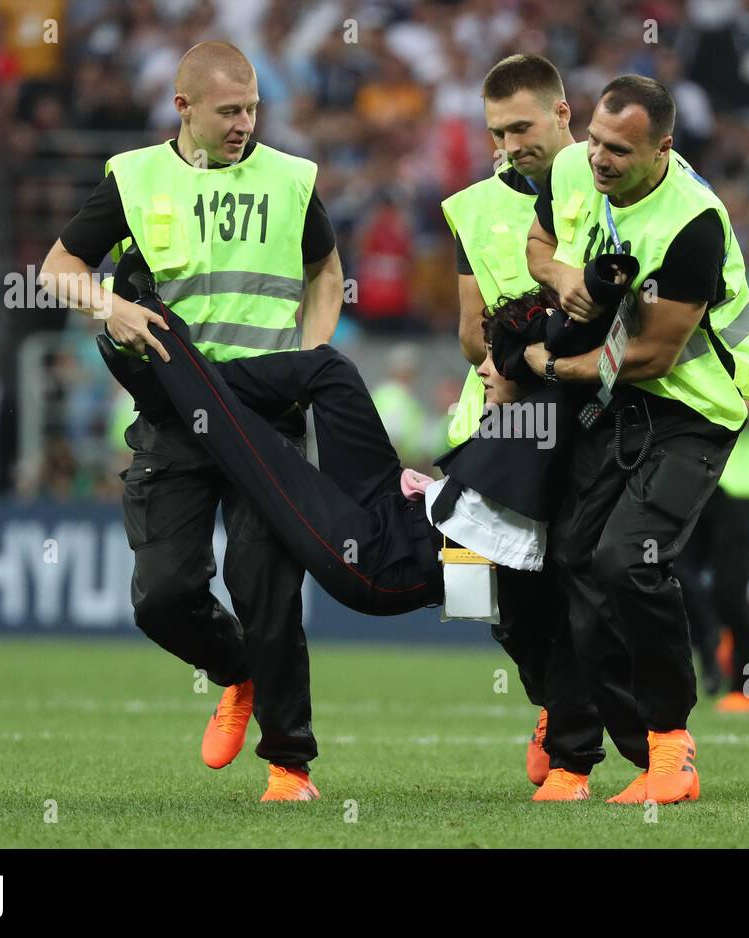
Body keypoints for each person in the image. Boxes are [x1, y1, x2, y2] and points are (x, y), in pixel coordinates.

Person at [98, 280, 611, 803]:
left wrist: (573, 758)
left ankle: (159, 339)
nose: (480, 368)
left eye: (496, 359)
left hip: (379, 562)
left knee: (244, 445)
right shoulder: (529, 418)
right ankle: (171, 381)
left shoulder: (555, 418)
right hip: (404, 510)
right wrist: (435, 490)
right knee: (330, 371)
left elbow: (551, 612)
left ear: (531, 366)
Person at [38, 41, 345, 802]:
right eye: (229, 111)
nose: (245, 124)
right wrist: (110, 305)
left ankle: (289, 766)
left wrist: (308, 358)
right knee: (163, 595)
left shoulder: (291, 177)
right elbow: (57, 270)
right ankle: (236, 671)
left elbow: (326, 273)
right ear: (183, 109)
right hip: (175, 412)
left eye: (252, 109)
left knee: (267, 587)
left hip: (266, 413)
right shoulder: (135, 178)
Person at [525, 76, 749, 804]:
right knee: (574, 559)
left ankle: (670, 744)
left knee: (625, 560)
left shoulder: (694, 221)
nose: (598, 160)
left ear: (662, 149)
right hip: (621, 402)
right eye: (596, 142)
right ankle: (613, 756)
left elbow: (656, 354)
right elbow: (539, 240)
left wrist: (554, 363)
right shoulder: (575, 165)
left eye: (620, 151)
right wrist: (560, 275)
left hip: (699, 406)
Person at [441, 53, 604, 801]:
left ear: (564, 114)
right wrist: (504, 350)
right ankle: (552, 701)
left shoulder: (607, 188)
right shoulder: (471, 209)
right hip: (497, 412)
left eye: (520, 128)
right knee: (474, 588)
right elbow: (472, 335)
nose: (507, 146)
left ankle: (591, 741)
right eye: (495, 133)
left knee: (573, 583)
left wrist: (530, 353)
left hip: (581, 413)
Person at [676, 311, 749, 711]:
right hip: (698, 474)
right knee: (671, 570)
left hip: (744, 481)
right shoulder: (684, 311)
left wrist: (713, 403)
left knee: (731, 592)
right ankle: (709, 637)